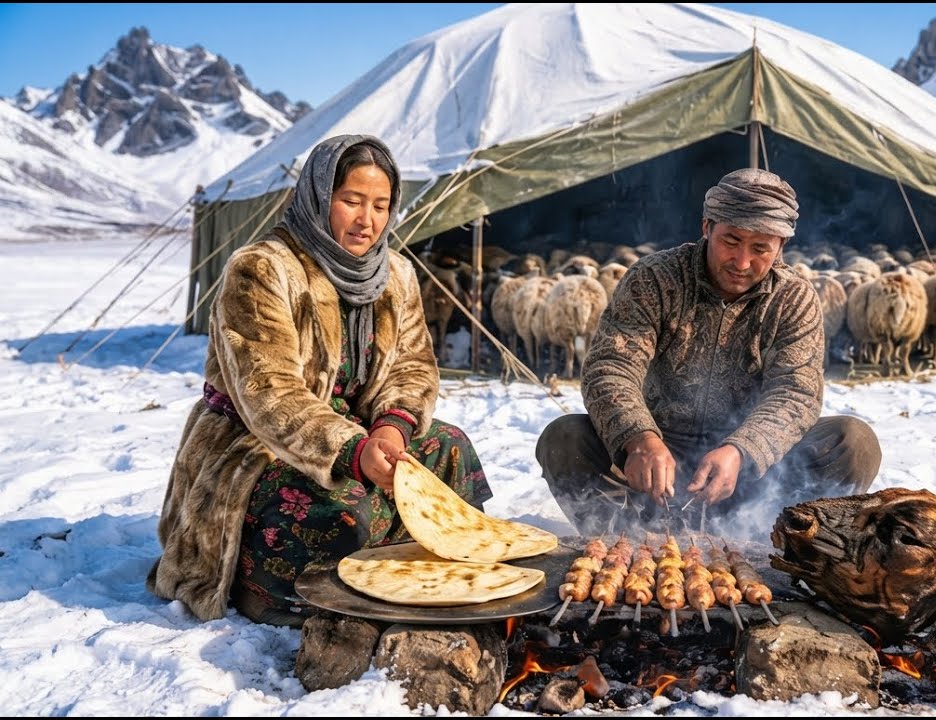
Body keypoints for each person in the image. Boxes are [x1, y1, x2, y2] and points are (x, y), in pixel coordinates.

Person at [147, 134, 491, 627]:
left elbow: (411, 366)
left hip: (362, 432)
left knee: (450, 447)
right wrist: (353, 450)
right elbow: (270, 393)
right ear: (318, 195)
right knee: (339, 507)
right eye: (350, 200)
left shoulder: (395, 273)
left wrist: (392, 429)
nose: (366, 220)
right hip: (257, 444)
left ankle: (429, 564)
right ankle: (267, 589)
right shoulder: (262, 269)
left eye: (380, 205)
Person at [535, 168, 881, 538]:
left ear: (781, 246)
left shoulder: (793, 298)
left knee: (853, 442)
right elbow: (612, 366)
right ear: (706, 227)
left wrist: (742, 451)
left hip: (748, 474)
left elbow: (795, 393)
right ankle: (630, 543)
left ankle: (776, 536)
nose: (742, 262)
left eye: (760, 248)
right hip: (655, 466)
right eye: (731, 241)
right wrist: (639, 437)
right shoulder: (654, 279)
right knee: (564, 437)